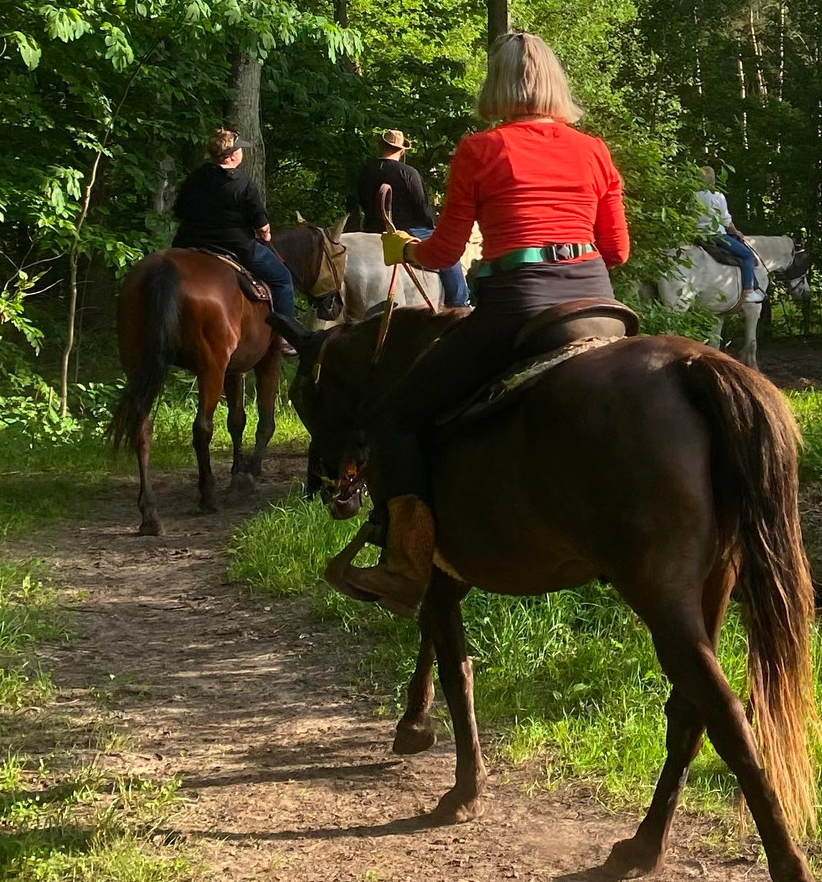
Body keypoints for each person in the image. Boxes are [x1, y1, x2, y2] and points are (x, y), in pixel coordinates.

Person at [336, 31, 632, 615]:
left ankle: (405, 567)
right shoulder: (594, 150)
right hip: (600, 307)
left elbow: (445, 251)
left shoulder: (480, 149)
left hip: (518, 309)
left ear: (496, 84)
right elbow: (617, 251)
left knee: (393, 417)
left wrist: (404, 250)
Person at [170, 128, 311, 352]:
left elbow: (179, 211)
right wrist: (266, 234)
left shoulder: (195, 178)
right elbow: (261, 225)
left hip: (189, 241)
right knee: (282, 279)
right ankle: (285, 337)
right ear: (233, 155)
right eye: (240, 149)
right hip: (235, 245)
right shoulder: (244, 184)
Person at [355, 128, 471, 308]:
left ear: (380, 146)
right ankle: (459, 303)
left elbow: (362, 202)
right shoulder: (408, 172)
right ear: (402, 151)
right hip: (408, 230)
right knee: (448, 256)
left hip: (373, 230)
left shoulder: (365, 171)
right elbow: (422, 207)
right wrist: (434, 225)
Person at [695, 165, 763, 304]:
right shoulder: (717, 196)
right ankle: (749, 291)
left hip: (696, 236)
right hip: (716, 235)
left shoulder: (692, 195)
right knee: (747, 255)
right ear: (713, 180)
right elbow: (727, 222)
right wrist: (736, 232)